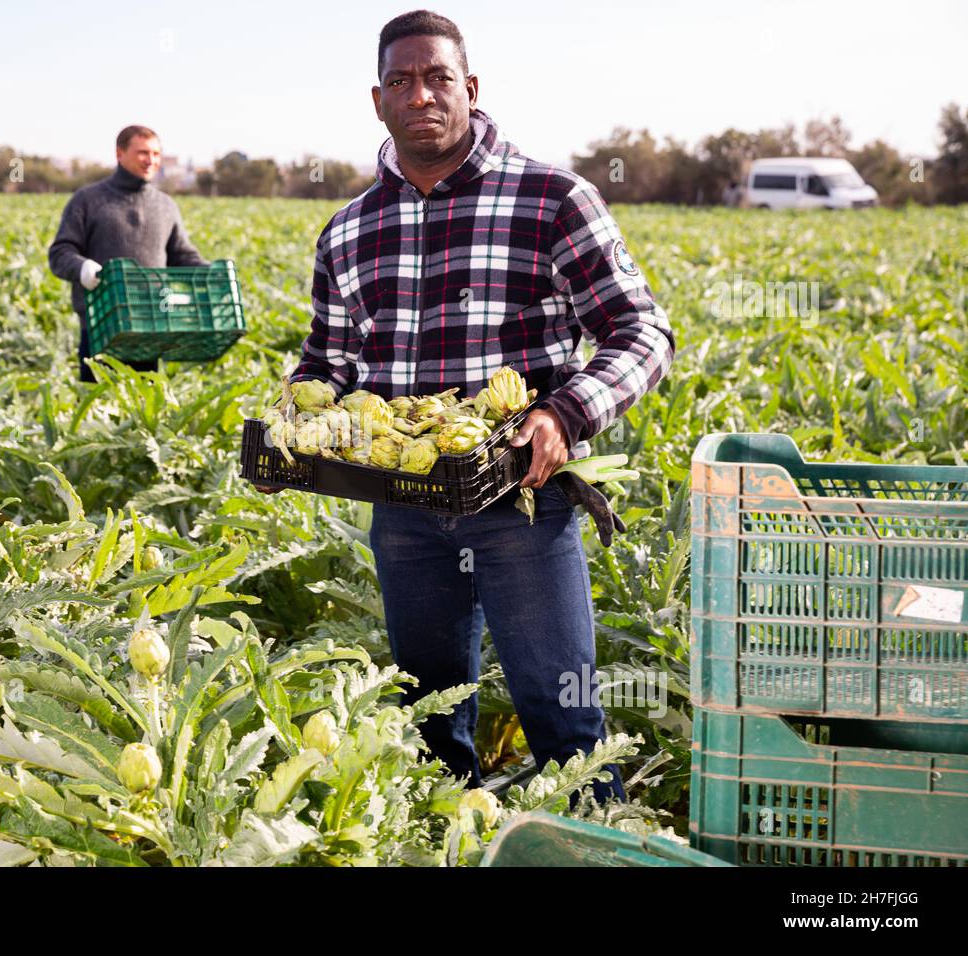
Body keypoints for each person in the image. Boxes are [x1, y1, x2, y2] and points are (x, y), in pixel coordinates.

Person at [260, 10, 675, 801]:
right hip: (404, 505)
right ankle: (444, 840)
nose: (421, 94)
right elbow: (326, 363)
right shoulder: (348, 230)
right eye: (401, 81)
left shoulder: (552, 197)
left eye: (438, 77)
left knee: (564, 719)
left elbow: (642, 330)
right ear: (377, 100)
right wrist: (294, 435)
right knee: (428, 717)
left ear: (470, 88)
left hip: (521, 495)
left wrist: (564, 413)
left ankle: (593, 844)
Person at [48, 125, 208, 380]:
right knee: (97, 411)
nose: (151, 160)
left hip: (151, 325)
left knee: (144, 412)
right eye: (143, 153)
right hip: (101, 326)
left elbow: (181, 256)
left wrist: (209, 273)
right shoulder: (87, 200)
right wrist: (82, 267)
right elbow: (60, 253)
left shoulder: (165, 205)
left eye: (156, 154)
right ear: (119, 154)